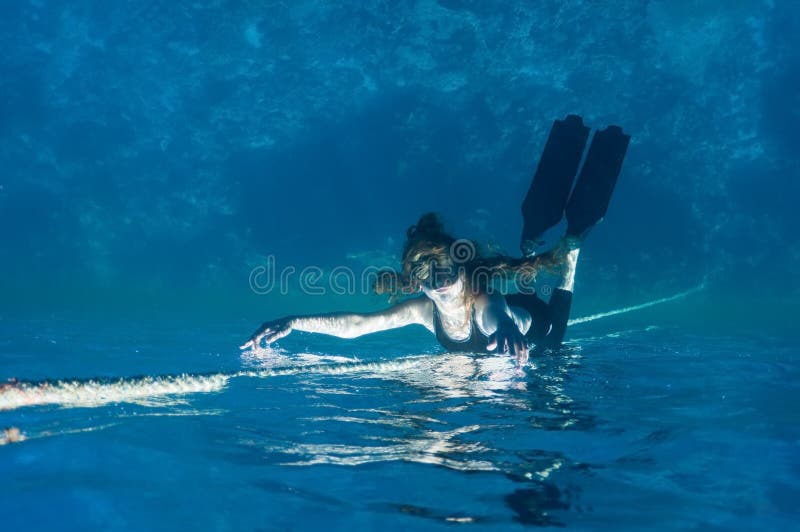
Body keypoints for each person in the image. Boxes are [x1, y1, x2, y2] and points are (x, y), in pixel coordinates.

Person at [240, 116, 629, 364]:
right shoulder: (424, 310)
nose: (440, 284)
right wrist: (292, 320)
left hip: (543, 328)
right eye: (427, 276)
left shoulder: (482, 300)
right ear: (418, 283)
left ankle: (569, 246)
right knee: (536, 249)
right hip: (509, 317)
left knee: (570, 251)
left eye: (443, 270)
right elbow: (357, 324)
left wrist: (506, 329)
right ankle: (538, 239)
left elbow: (495, 313)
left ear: (459, 268)